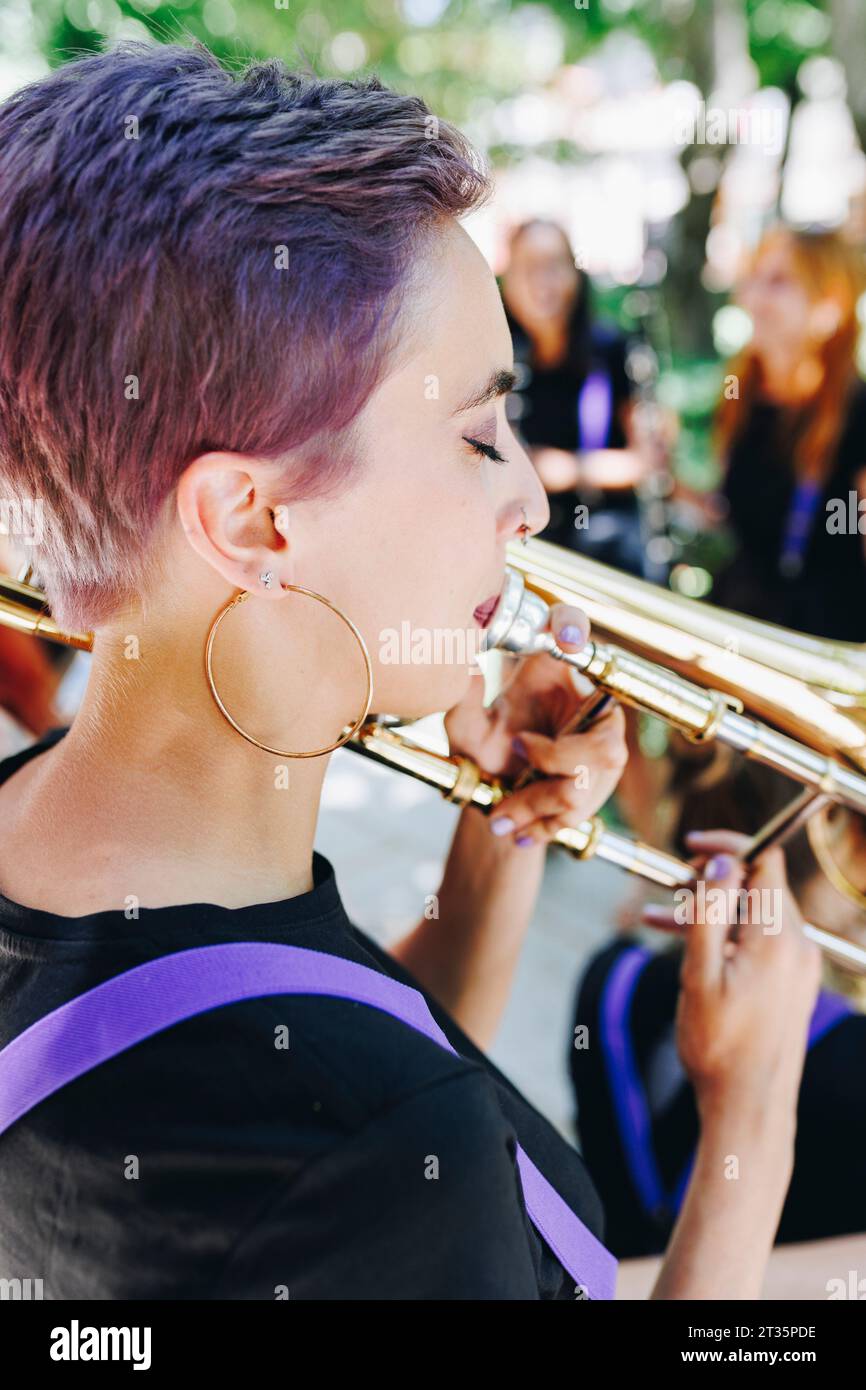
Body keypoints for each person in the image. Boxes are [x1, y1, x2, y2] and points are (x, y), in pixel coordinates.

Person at [0, 41, 821, 1301]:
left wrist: (493, 846)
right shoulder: (371, 1149)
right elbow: (368, 1138)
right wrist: (753, 1119)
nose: (533, 498)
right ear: (254, 522)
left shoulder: (56, 826)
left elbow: (309, 1040)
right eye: (480, 434)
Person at [714, 224, 866, 641]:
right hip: (739, 628)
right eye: (754, 278)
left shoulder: (858, 414)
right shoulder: (741, 395)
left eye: (778, 282)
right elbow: (739, 518)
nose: (752, 298)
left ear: (831, 302)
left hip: (821, 646)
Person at [500, 220, 650, 575]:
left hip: (607, 544)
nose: (542, 282)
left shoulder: (613, 352)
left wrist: (563, 469)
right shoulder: (499, 359)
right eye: (527, 268)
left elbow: (647, 462)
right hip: (527, 546)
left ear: (576, 275)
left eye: (554, 266)